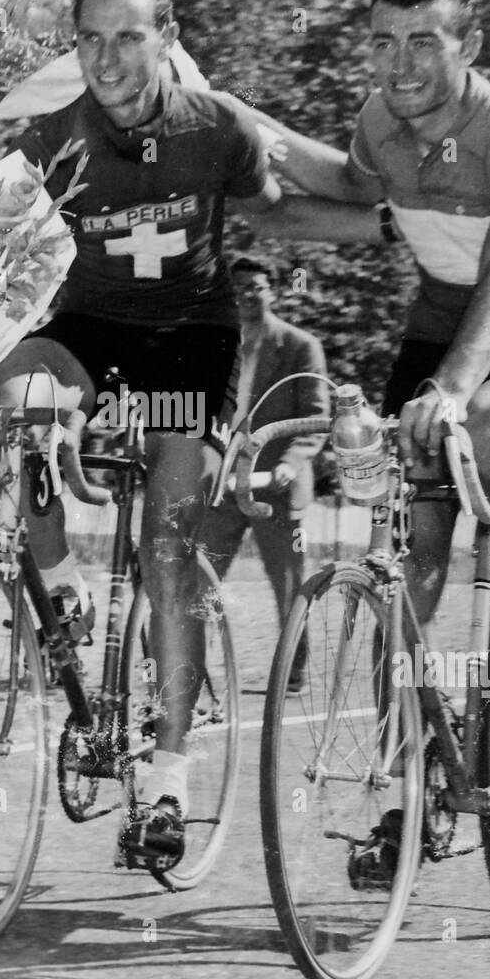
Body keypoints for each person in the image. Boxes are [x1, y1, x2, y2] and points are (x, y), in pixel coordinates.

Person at [0, 0, 287, 867]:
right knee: (10, 406)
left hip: (189, 338)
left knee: (167, 543)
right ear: (72, 46)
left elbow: (277, 207)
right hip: (94, 325)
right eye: (90, 39)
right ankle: (61, 581)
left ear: (167, 40)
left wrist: (389, 211)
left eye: (128, 35)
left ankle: (167, 777)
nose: (108, 57)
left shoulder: (219, 127)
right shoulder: (51, 135)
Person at [229, 0, 490, 751]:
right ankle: (405, 786)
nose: (399, 65)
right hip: (440, 330)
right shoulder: (379, 118)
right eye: (382, 43)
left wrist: (447, 389)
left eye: (422, 42)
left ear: (467, 44)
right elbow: (348, 188)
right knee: (406, 564)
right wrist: (234, 125)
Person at [199, 257, 329, 690]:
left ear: (272, 291)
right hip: (226, 484)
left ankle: (292, 672)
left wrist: (290, 465)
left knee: (289, 584)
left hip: (276, 488)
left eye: (256, 287)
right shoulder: (216, 343)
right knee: (203, 576)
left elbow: (316, 419)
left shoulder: (299, 345)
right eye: (238, 288)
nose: (247, 296)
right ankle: (193, 668)